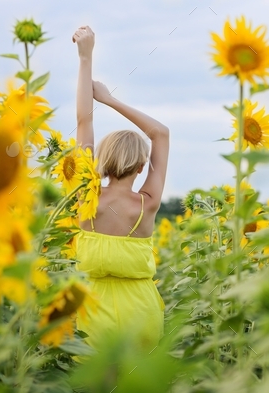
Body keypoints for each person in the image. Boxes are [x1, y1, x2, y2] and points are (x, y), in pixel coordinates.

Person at [71, 25, 169, 352]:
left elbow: (84, 122)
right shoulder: (148, 203)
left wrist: (86, 57)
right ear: (143, 167)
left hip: (89, 311)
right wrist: (110, 99)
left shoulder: (86, 195)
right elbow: (161, 134)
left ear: (99, 159)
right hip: (141, 313)